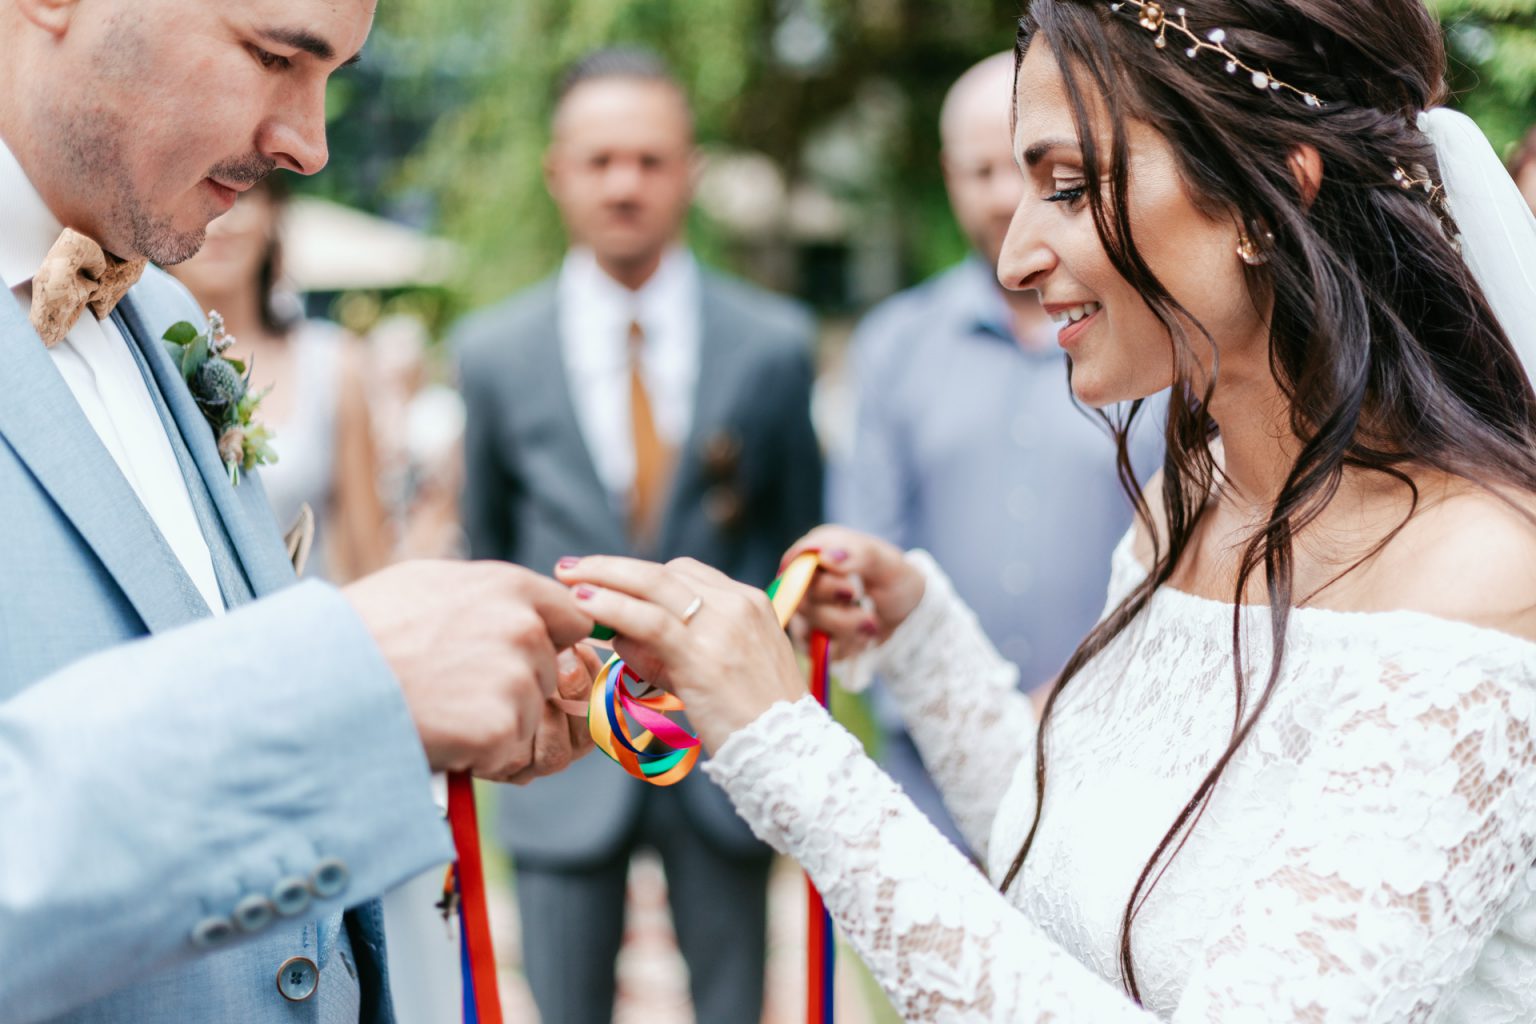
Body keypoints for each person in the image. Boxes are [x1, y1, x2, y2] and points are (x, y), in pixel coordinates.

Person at [556, 0, 1536, 1018]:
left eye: (1067, 188)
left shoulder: (1477, 584)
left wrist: (787, 747)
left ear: (1266, 196)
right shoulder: (1188, 501)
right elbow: (1074, 865)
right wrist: (924, 637)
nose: (1013, 258)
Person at [0, 1, 598, 1020]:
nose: (310, 146)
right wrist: (343, 685)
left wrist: (410, 716)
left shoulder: (170, 312)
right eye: (275, 55)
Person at [456, 46, 823, 1024]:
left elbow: (796, 541)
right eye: (602, 159)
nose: (626, 184)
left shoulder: (775, 346)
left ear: (690, 171)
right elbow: (485, 550)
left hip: (722, 757)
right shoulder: (492, 354)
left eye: (651, 161)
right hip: (564, 762)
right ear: (557, 173)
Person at [832, 51, 1161, 852]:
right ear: (948, 175)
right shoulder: (894, 346)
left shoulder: (1154, 343)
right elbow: (866, 543)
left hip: (1122, 769)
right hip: (929, 774)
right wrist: (941, 715)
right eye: (979, 170)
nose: (1001, 197)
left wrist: (1066, 715)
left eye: (1028, 168)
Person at [168, 175, 391, 582]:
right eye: (194, 189)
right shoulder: (132, 359)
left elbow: (368, 559)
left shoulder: (332, 365)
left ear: (274, 212)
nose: (221, 219)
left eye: (241, 192)